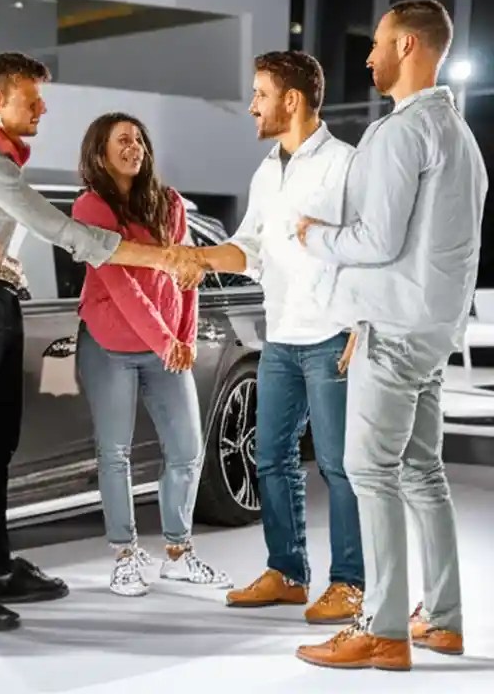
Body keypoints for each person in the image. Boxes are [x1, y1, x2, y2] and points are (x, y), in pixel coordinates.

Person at [0, 51, 207, 631]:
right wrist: (163, 256)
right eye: (31, 99)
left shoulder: (3, 160)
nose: (42, 107)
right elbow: (61, 231)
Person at [290, 0, 487, 670]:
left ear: (408, 46)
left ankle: (381, 631)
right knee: (422, 472)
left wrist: (317, 236)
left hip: (395, 329)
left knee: (372, 473)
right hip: (431, 329)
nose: (368, 55)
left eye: (377, 43)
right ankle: (443, 618)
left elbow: (376, 241)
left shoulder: (404, 132)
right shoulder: (460, 136)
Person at [189, 51, 365, 624]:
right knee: (270, 458)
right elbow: (251, 248)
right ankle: (288, 573)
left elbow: (372, 247)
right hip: (281, 335)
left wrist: (363, 323)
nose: (251, 106)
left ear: (291, 99)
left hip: (333, 335)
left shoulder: (345, 164)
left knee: (338, 466)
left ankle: (352, 583)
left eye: (260, 94)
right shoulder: (267, 171)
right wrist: (192, 257)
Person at [72, 112, 232, 597]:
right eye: (123, 139)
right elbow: (120, 287)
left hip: (165, 344)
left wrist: (182, 337)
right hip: (108, 345)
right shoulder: (90, 207)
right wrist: (167, 340)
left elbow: (187, 274)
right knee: (114, 452)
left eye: (139, 138)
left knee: (187, 450)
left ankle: (179, 554)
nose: (135, 146)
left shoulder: (169, 203)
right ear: (100, 151)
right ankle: (124, 555)